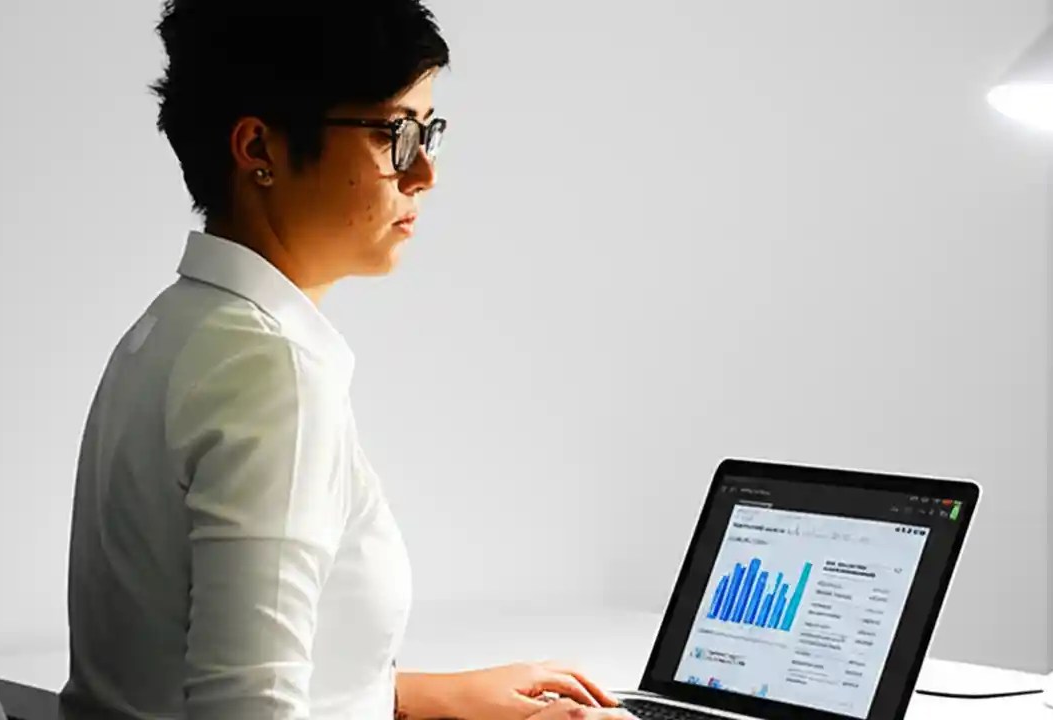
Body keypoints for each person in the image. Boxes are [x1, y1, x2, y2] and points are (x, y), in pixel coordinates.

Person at [60, 2, 635, 718]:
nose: (424, 172)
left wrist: (425, 696)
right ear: (258, 149)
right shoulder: (269, 374)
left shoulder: (175, 331)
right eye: (394, 134)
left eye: (428, 134)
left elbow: (186, 666)